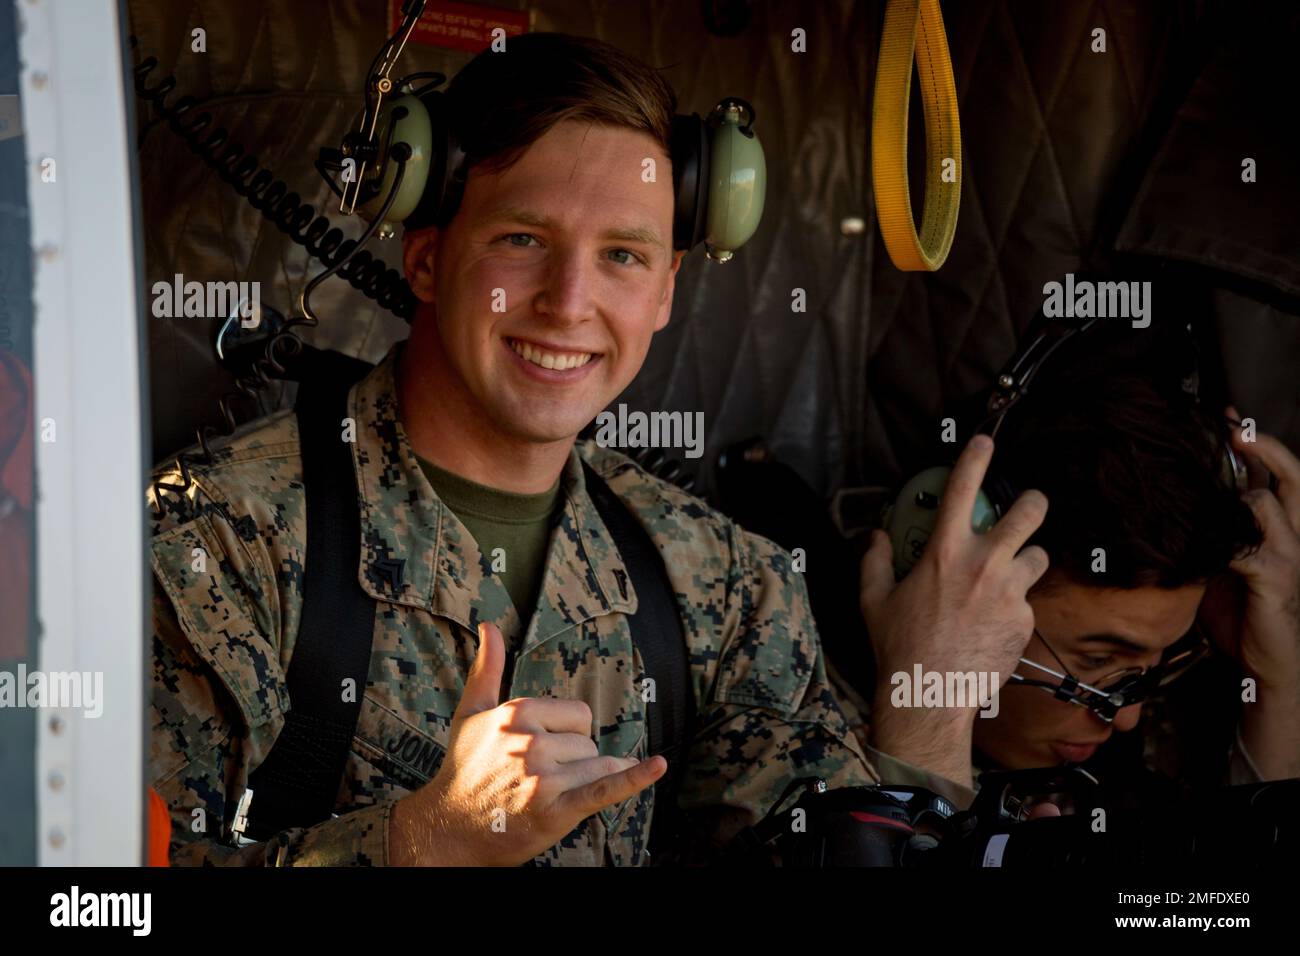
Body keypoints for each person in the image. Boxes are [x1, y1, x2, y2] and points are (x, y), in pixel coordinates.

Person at [146, 32, 883, 867]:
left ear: (667, 288)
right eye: (522, 241)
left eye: (621, 256)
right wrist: (418, 844)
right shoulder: (209, 546)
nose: (570, 303)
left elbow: (833, 845)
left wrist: (928, 711)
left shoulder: (727, 584)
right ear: (426, 256)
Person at [847, 349, 1300, 808]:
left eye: (1148, 669)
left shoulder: (1137, 745)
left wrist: (1276, 682)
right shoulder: (792, 696)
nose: (1125, 719)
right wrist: (929, 712)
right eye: (1097, 659)